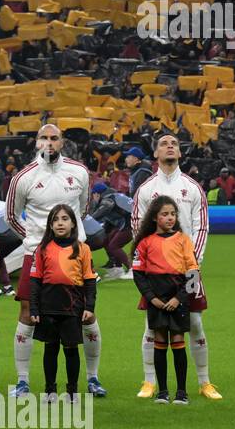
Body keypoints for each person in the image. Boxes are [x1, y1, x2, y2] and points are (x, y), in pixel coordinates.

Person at [6, 124, 105, 398]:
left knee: (86, 313)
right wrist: (40, 241)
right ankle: (23, 380)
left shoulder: (79, 172)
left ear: (62, 142)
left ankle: (93, 378)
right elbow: (12, 216)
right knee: (27, 312)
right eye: (43, 138)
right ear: (36, 142)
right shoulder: (23, 177)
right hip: (37, 253)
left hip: (75, 252)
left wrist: (66, 240)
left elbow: (82, 210)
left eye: (54, 138)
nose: (49, 143)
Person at [130, 134, 220, 400]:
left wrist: (194, 262)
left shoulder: (193, 188)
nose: (170, 146)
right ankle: (149, 382)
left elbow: (202, 226)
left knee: (195, 323)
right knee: (152, 326)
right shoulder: (145, 189)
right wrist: (148, 261)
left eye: (174, 144)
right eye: (163, 144)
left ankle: (204, 382)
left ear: (180, 153)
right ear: (155, 154)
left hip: (188, 268)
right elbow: (137, 226)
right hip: (156, 273)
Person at [131, 196, 201, 405]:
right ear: (154, 217)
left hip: (178, 296)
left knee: (178, 341)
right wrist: (151, 298)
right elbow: (138, 274)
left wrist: (179, 298)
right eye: (165, 214)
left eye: (173, 214)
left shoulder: (183, 240)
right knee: (160, 341)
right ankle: (162, 391)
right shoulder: (145, 243)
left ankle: (181, 392)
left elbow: (193, 273)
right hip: (157, 298)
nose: (170, 218)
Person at [28, 205, 97, 401]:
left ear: (73, 223)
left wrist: (89, 307)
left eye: (65, 219)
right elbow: (35, 281)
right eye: (56, 219)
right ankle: (50, 390)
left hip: (72, 306)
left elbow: (90, 280)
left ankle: (72, 391)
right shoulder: (42, 249)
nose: (60, 223)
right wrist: (34, 307)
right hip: (48, 306)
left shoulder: (83, 249)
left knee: (71, 349)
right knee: (50, 348)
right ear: (50, 225)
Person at [89, 182, 133, 277]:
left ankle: (131, 269)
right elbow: (109, 223)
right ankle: (118, 268)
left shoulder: (108, 199)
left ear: (97, 194)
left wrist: (89, 220)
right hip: (131, 222)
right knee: (107, 240)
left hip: (131, 224)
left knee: (114, 246)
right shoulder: (114, 196)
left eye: (93, 194)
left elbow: (102, 211)